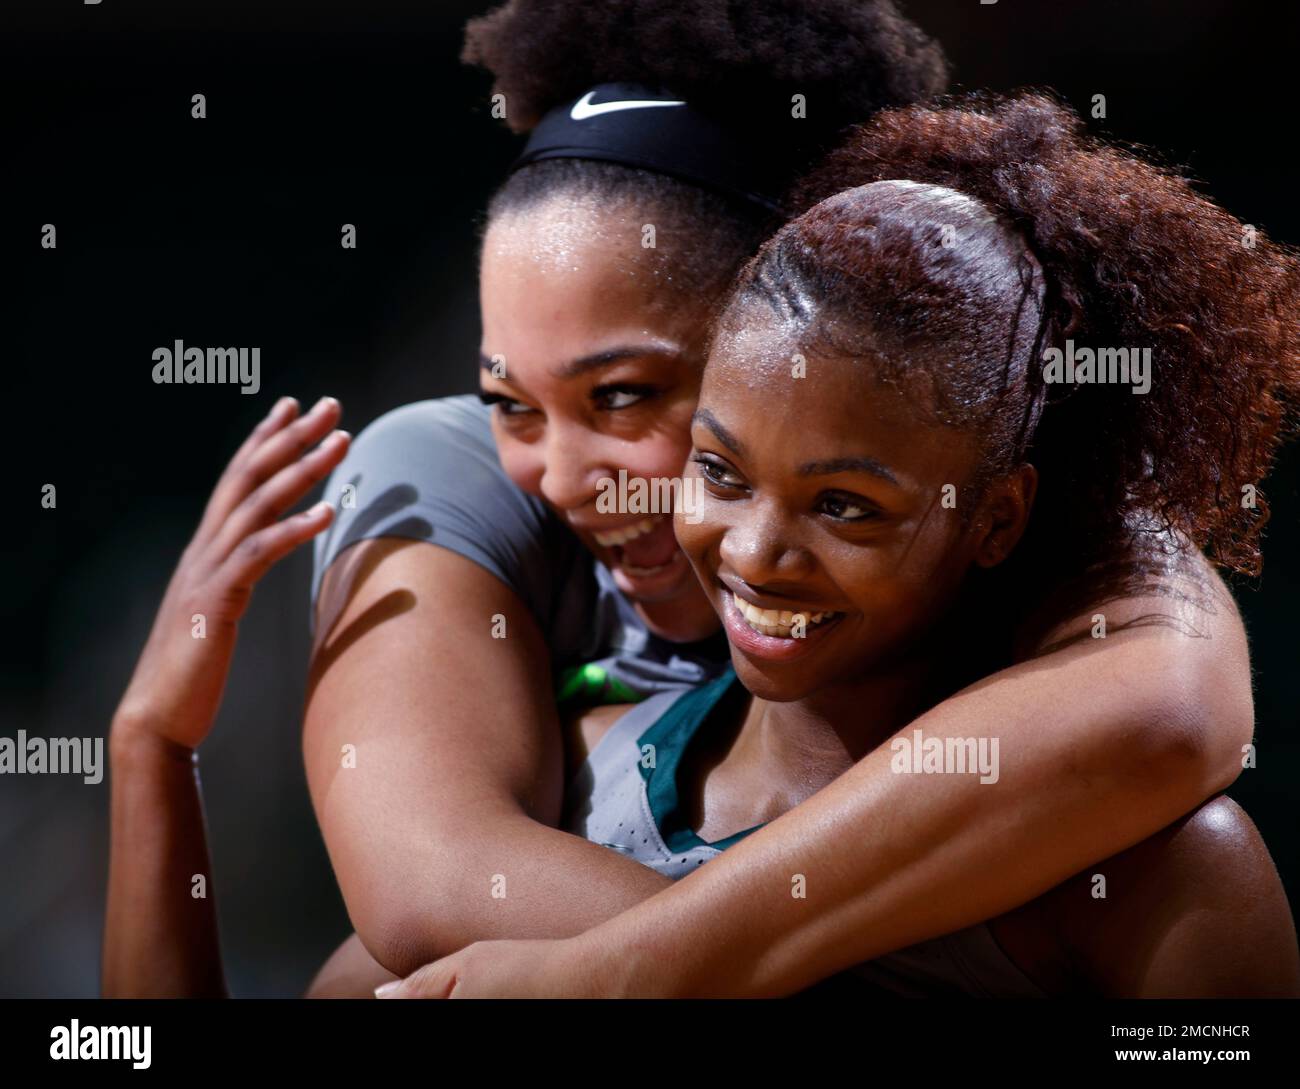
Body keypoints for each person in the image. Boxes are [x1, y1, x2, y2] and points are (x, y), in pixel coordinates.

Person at [103, 2, 1258, 998]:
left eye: (624, 393)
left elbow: (1169, 714)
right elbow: (425, 888)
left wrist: (626, 975)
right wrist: (149, 752)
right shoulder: (463, 519)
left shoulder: (1148, 870)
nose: (559, 480)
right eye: (509, 399)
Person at [380, 93, 1300, 998]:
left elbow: (1174, 710)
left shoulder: (1159, 883)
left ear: (996, 519)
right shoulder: (578, 774)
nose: (756, 551)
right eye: (723, 472)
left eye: (844, 505)